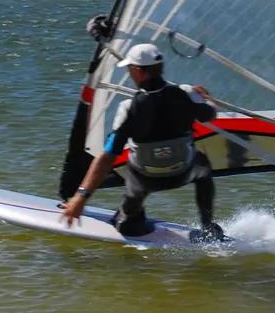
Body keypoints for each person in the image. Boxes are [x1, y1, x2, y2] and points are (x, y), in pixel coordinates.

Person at [59, 42, 224, 241]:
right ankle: (207, 226)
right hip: (183, 173)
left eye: (130, 69)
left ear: (139, 71)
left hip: (145, 179)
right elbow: (211, 114)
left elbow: (107, 156)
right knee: (202, 164)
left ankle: (131, 216)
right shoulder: (186, 95)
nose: (129, 73)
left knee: (132, 170)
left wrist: (81, 197)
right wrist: (207, 99)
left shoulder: (129, 108)